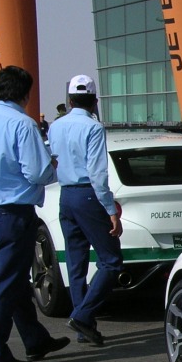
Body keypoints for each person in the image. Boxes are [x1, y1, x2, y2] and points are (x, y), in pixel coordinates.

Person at [0, 65, 68, 362]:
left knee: (12, 276)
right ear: (26, 94)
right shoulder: (22, 124)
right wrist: (53, 166)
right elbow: (36, 172)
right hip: (10, 212)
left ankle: (35, 339)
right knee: (5, 284)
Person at [47, 74, 123, 347]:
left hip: (65, 195)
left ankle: (84, 326)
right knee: (111, 261)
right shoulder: (93, 127)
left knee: (75, 264)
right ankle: (82, 316)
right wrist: (110, 209)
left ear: (69, 100)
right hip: (88, 196)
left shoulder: (56, 127)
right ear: (94, 102)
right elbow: (97, 173)